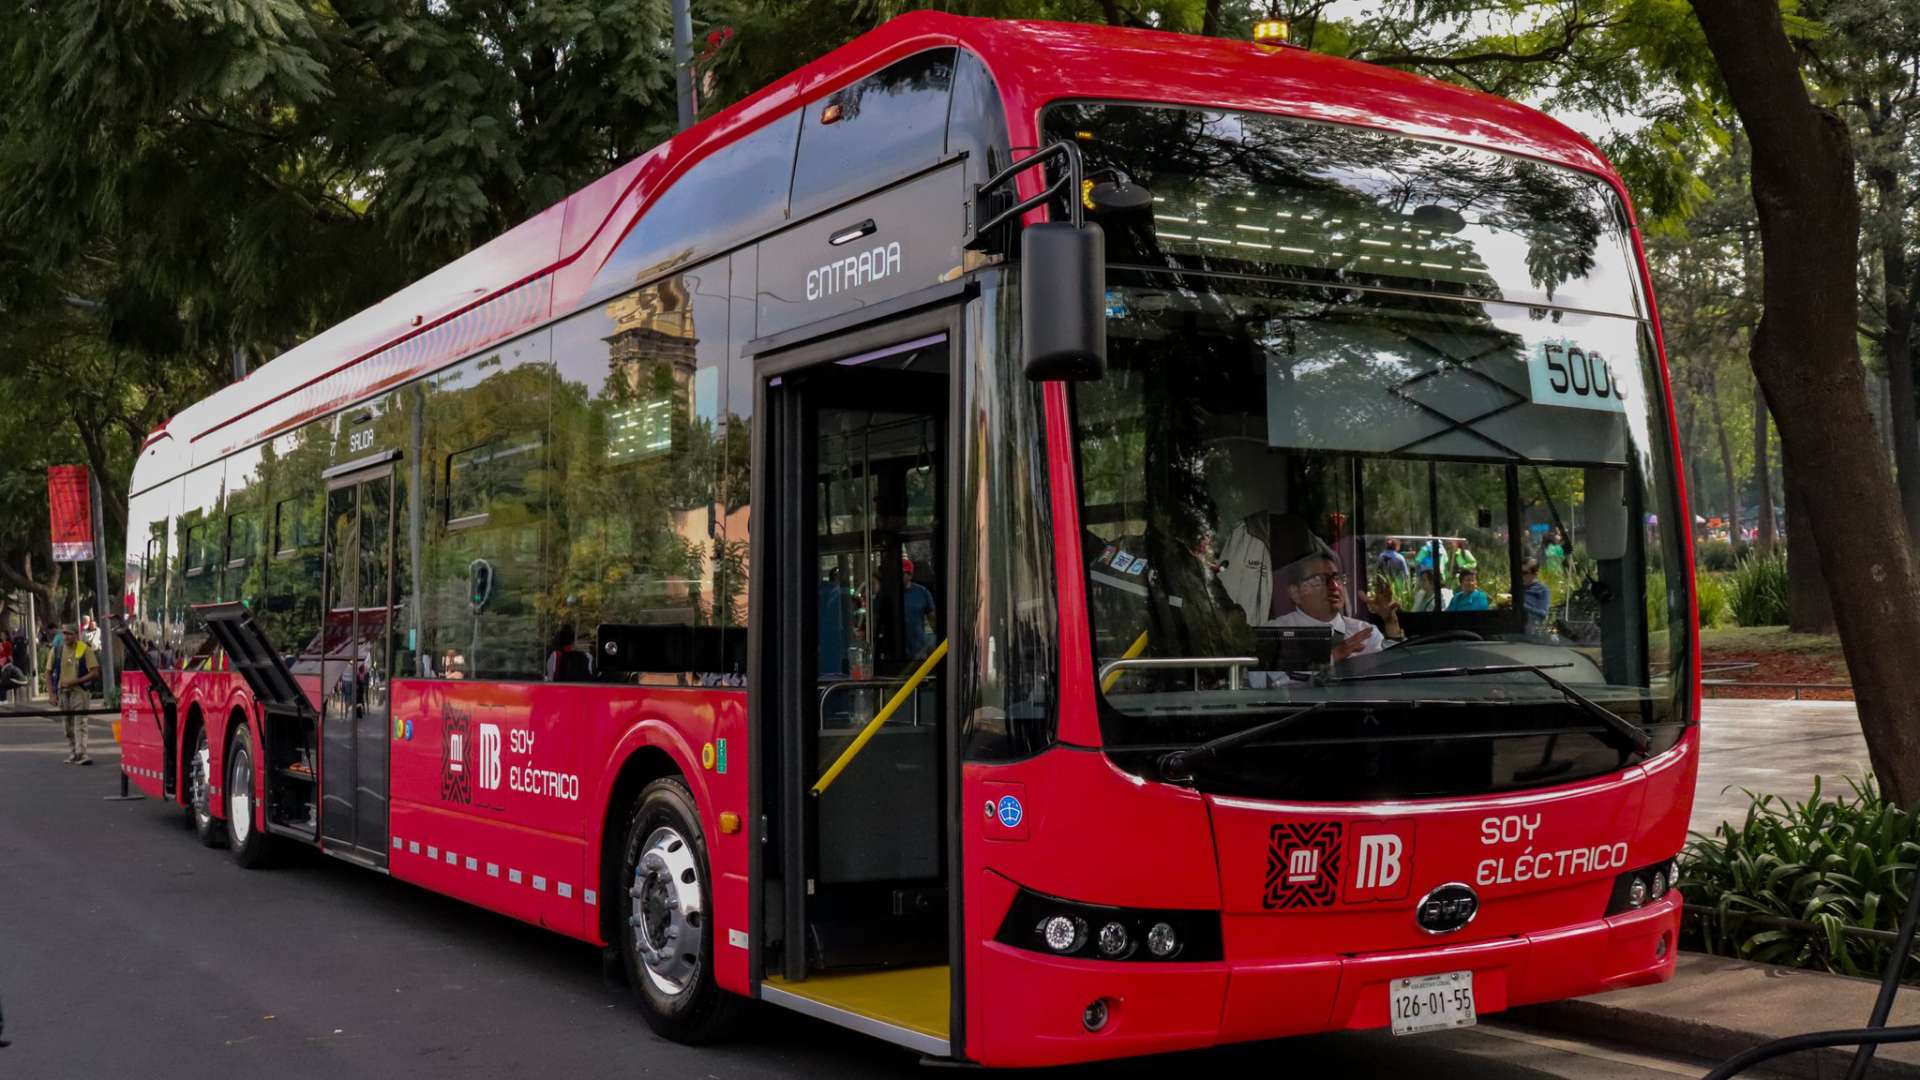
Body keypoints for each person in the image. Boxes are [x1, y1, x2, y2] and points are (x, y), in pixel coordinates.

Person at [1273, 554, 1402, 662]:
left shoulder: (1365, 633)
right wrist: (1331, 658)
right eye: (1320, 580)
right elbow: (1262, 684)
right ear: (1295, 593)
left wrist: (1391, 624)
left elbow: (1394, 673)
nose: (1334, 586)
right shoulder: (1274, 635)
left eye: (1337, 578)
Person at [54, 621, 99, 765]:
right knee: (67, 725)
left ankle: (82, 754)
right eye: (64, 634)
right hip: (63, 693)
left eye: (69, 634)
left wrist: (75, 681)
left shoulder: (84, 649)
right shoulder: (58, 650)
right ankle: (73, 752)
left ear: (76, 635)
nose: (66, 637)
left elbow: (95, 672)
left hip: (80, 692)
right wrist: (51, 694)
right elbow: (48, 673)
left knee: (80, 722)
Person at [900, 557, 936, 659]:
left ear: (910, 575)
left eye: (902, 573)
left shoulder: (922, 592)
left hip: (918, 648)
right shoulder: (889, 593)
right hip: (895, 649)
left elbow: (932, 618)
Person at [1520, 558, 1553, 633]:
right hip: (1511, 631)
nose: (1520, 575)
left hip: (1530, 632)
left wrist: (1522, 606)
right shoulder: (1516, 588)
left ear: (1535, 574)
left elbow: (1543, 614)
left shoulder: (1542, 590)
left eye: (1524, 573)